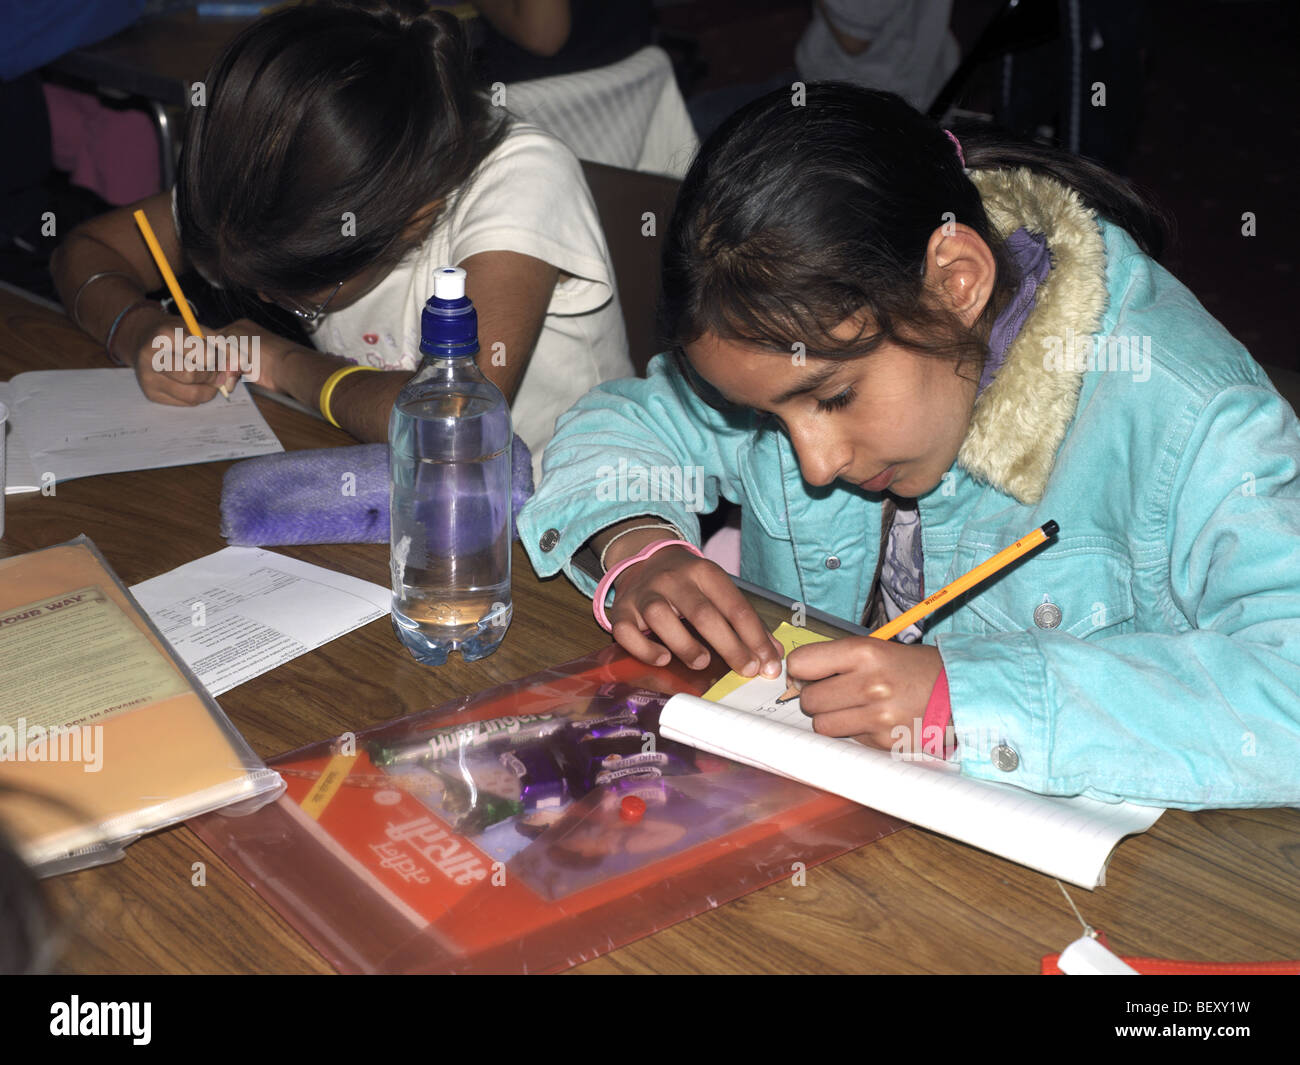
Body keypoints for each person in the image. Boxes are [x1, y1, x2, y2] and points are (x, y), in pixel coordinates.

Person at [518, 83, 1300, 810]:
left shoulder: (1188, 413)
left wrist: (968, 703)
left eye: (833, 397)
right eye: (769, 416)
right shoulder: (801, 344)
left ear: (957, 281)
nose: (817, 462)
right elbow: (621, 425)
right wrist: (639, 544)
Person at [50, 0, 632, 477]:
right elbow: (85, 252)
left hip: (576, 523)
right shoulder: (277, 181)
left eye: (303, 298)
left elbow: (454, 424)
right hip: (391, 482)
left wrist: (278, 359)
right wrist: (143, 333)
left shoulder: (520, 178)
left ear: (416, 218)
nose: (275, 304)